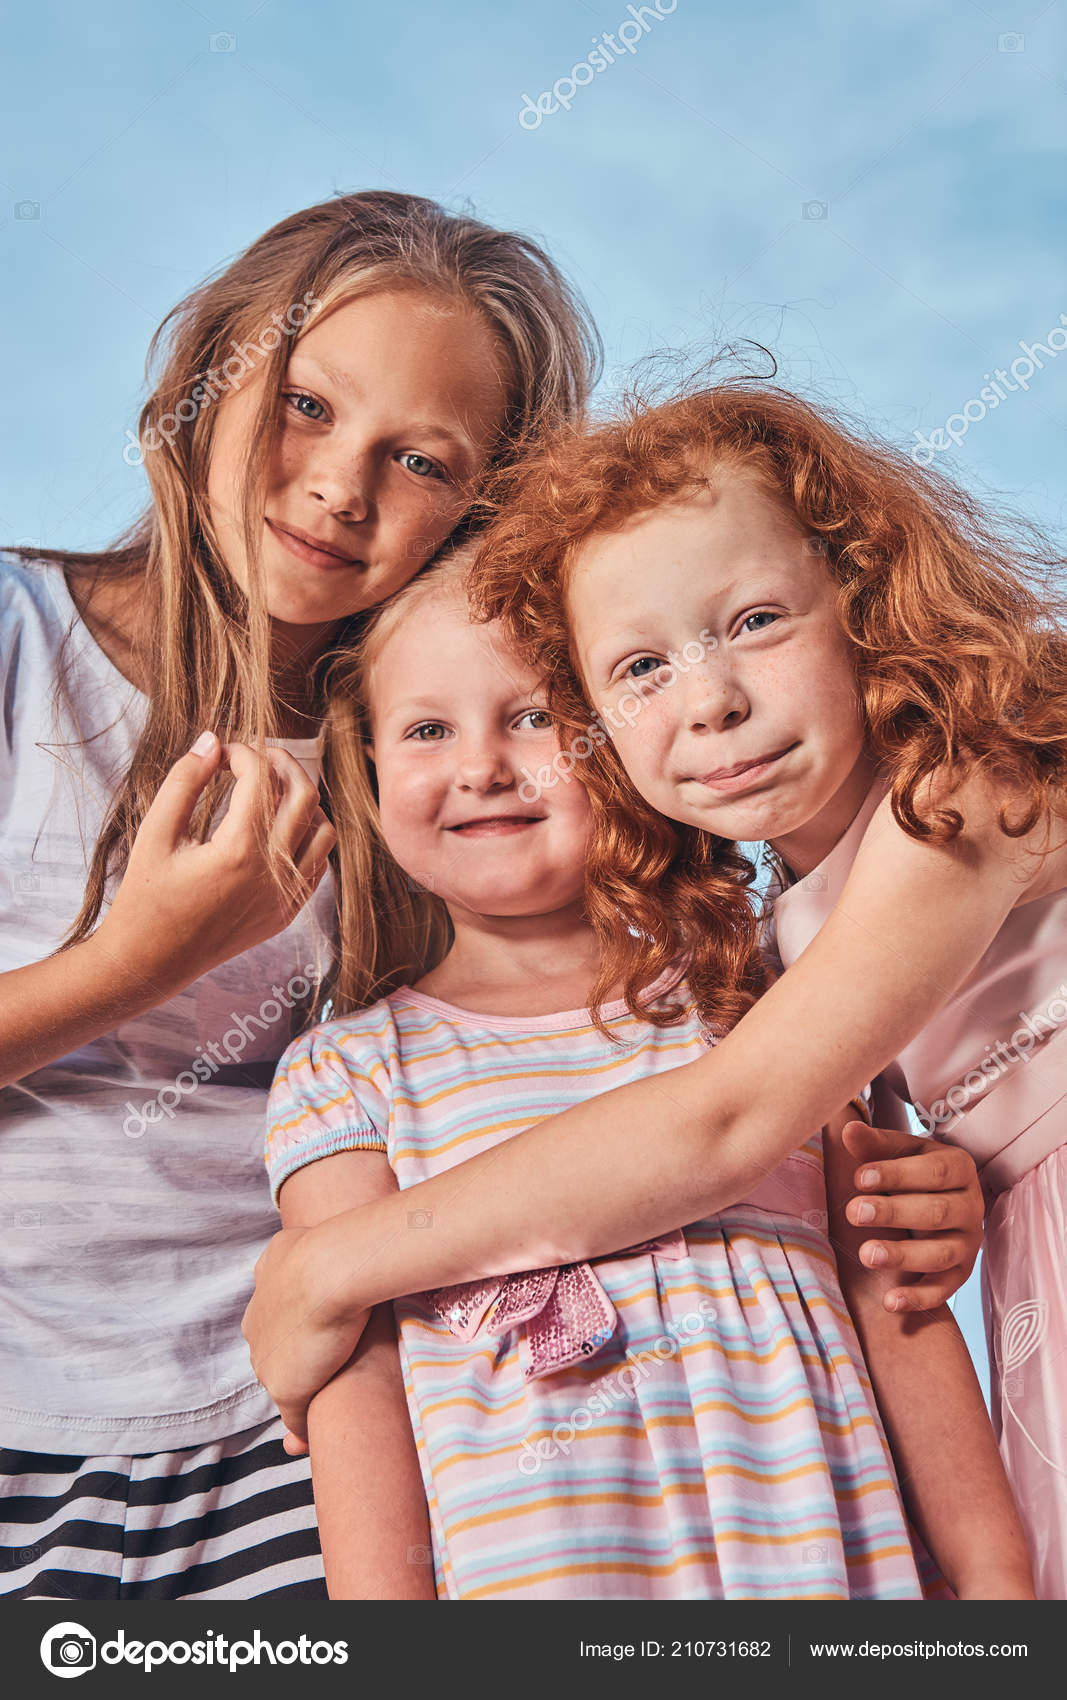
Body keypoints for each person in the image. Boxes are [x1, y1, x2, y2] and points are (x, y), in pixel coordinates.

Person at [242, 382, 1065, 1598]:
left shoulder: (964, 787)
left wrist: (329, 1264)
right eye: (638, 666)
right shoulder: (789, 926)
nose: (709, 696)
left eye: (753, 620)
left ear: (864, 593)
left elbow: (725, 1123)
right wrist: (956, 1173)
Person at [0, 188, 600, 1600]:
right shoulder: (19, 641)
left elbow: (591, 1046)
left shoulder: (440, 768)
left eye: (421, 459)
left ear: (484, 507)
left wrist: (845, 1172)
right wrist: (131, 963)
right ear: (199, 378)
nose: (340, 486)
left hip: (302, 1438)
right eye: (308, 405)